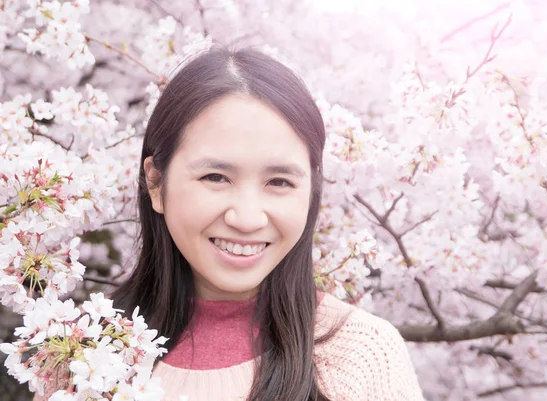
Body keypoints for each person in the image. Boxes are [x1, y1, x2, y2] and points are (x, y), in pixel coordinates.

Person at [37, 46, 425, 401]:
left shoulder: (360, 353)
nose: (247, 218)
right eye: (216, 178)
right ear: (156, 182)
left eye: (279, 182)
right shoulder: (84, 349)